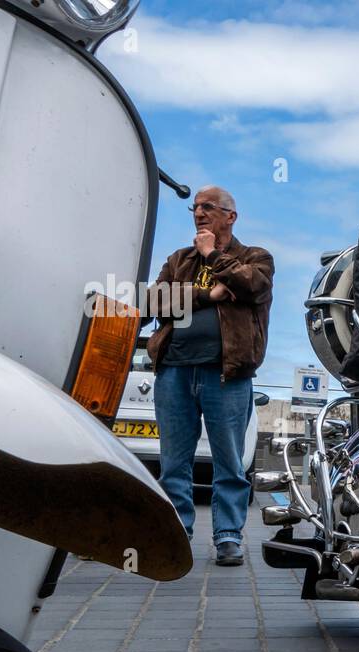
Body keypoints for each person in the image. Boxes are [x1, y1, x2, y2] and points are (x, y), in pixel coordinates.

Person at [145, 186, 274, 566]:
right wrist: (207, 297)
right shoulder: (178, 259)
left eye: (208, 208)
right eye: (195, 208)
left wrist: (212, 255)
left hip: (227, 375)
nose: (199, 213)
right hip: (175, 372)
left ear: (230, 216)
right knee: (174, 461)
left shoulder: (256, 257)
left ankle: (229, 537)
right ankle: (177, 532)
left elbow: (252, 285)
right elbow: (154, 302)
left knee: (230, 462)